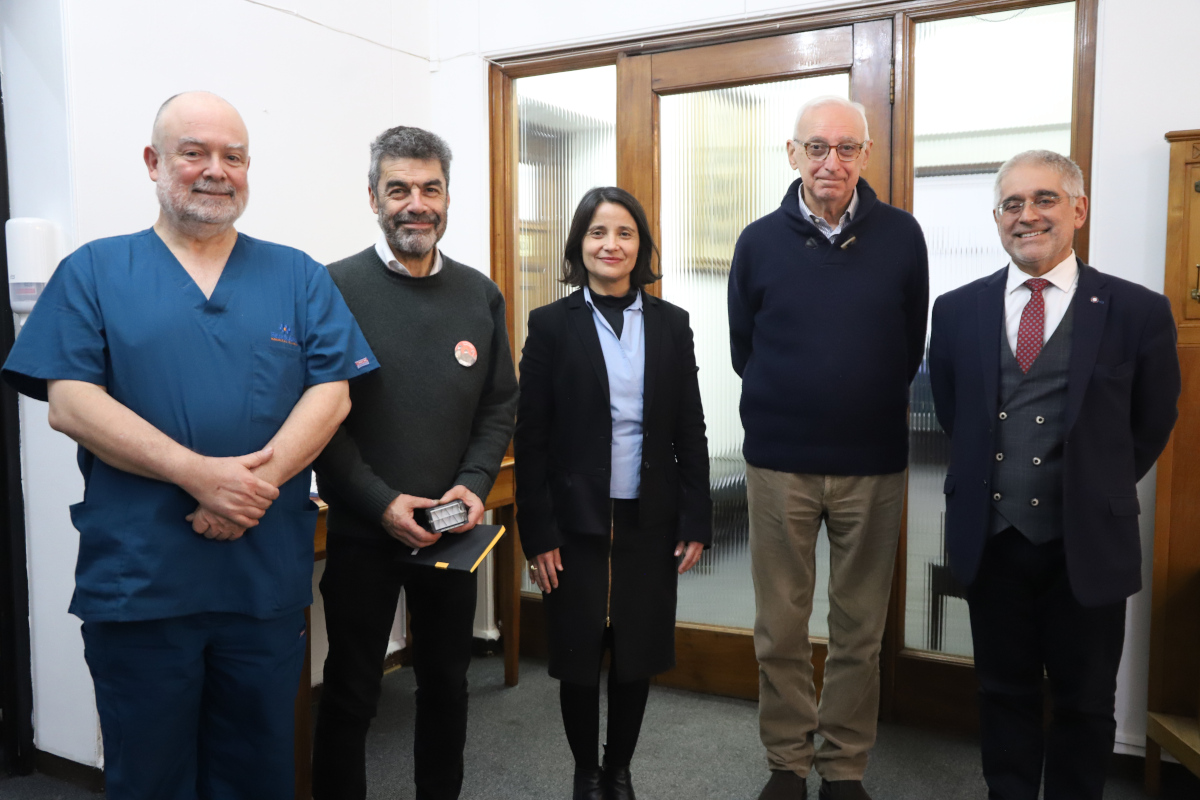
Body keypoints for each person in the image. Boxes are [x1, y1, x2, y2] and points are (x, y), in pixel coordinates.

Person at [0, 91, 377, 799]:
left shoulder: (296, 275)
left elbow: (334, 393)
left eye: (233, 156)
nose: (215, 170)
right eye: (194, 152)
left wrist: (245, 492)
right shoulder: (94, 271)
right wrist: (201, 476)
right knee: (151, 776)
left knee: (259, 770)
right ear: (153, 162)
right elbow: (71, 403)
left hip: (260, 578)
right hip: (143, 581)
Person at [928, 150, 1180, 800]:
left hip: (1087, 549)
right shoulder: (956, 312)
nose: (1028, 215)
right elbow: (961, 417)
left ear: (1079, 210)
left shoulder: (1138, 312)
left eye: (1044, 199)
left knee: (1085, 705)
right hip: (995, 542)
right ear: (996, 218)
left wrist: (1093, 489)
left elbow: (1151, 423)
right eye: (1012, 204)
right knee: (1002, 696)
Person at [727, 95, 929, 800]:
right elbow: (743, 349)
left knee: (858, 630)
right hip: (779, 464)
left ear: (865, 155)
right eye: (817, 147)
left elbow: (909, 348)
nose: (831, 162)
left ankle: (843, 767)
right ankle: (787, 762)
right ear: (793, 154)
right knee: (779, 628)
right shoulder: (756, 242)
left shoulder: (903, 237)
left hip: (872, 467)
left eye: (846, 148)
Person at [311, 125, 518, 800]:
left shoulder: (479, 295)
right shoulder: (330, 289)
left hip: (450, 536)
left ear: (448, 197)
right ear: (373, 196)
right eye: (398, 188)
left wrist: (475, 482)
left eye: (430, 188)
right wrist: (379, 504)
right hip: (364, 532)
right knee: (350, 694)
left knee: (446, 688)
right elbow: (319, 420)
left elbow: (497, 406)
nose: (415, 203)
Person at [515, 186, 712, 800]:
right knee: (578, 650)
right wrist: (538, 533)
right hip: (574, 519)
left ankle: (619, 768)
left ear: (640, 246)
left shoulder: (672, 324)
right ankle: (584, 771)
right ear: (580, 244)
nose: (611, 244)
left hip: (648, 516)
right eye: (599, 232)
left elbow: (690, 430)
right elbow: (533, 438)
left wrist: (696, 515)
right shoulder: (551, 325)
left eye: (624, 233)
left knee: (637, 647)